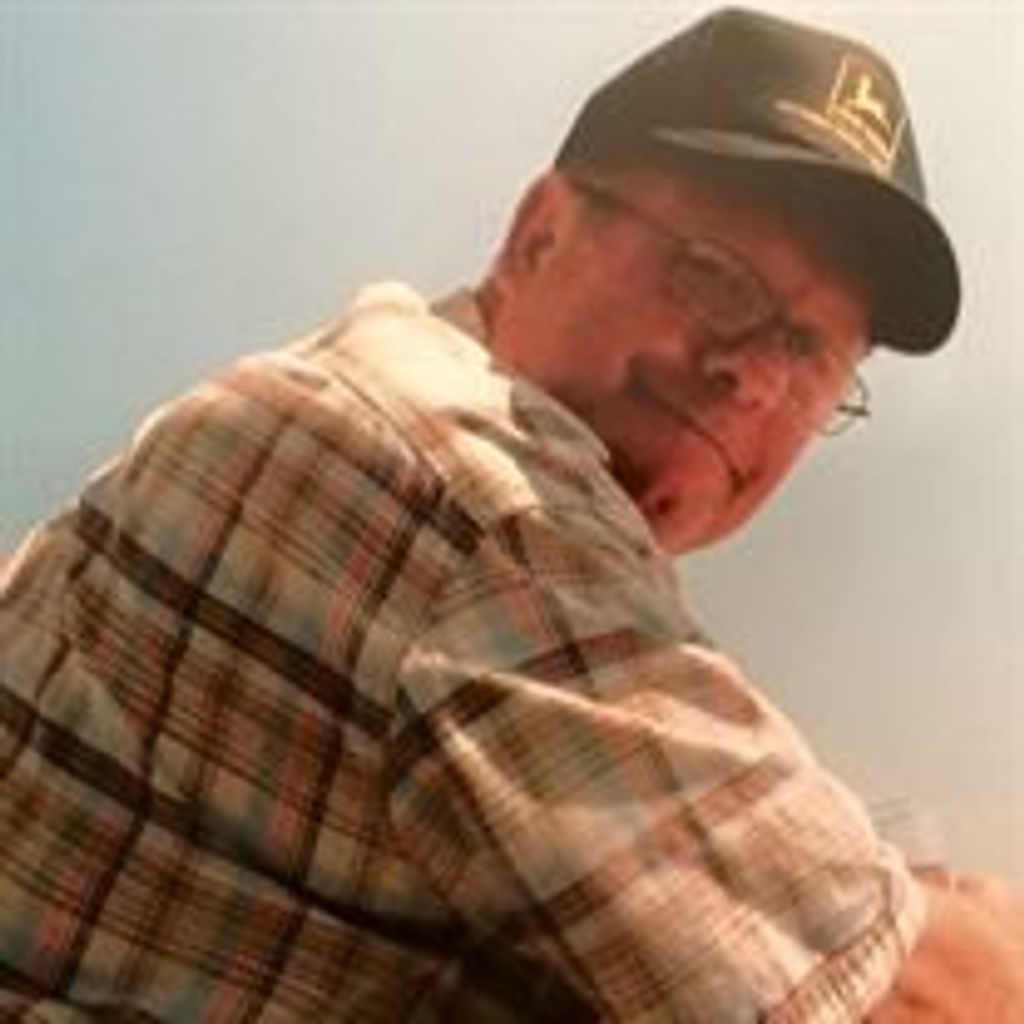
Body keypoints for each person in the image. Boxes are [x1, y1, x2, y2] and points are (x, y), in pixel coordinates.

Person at [0, 6, 1020, 1021]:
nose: (751, 374)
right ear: (539, 236)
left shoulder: (349, 412)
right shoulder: (471, 493)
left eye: (808, 351)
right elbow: (917, 1001)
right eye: (714, 279)